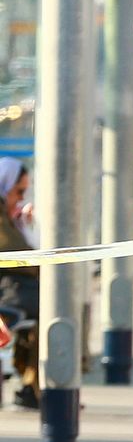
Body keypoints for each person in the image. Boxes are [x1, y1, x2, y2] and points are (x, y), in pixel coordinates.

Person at [0, 158, 39, 409]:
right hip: (8, 289)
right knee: (51, 307)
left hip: (12, 287)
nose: (21, 198)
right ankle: (34, 386)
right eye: (19, 191)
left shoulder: (8, 215)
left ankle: (32, 384)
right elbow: (14, 252)